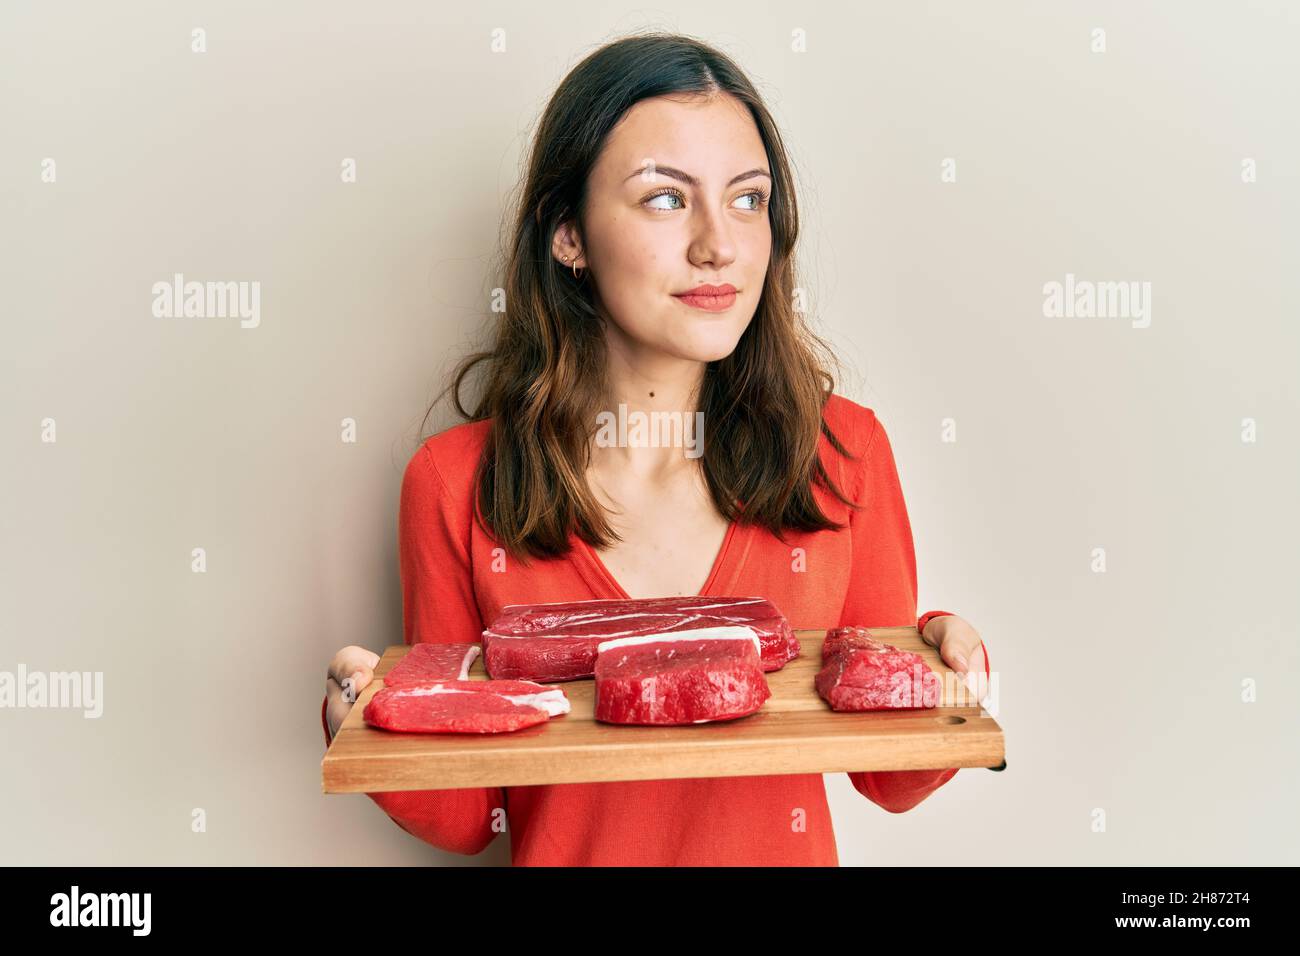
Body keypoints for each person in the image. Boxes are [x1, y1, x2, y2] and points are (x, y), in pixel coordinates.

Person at [322, 32, 991, 866]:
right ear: (567, 233)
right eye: (665, 199)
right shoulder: (454, 483)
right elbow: (463, 816)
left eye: (749, 199)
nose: (720, 245)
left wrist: (948, 674)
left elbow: (892, 779)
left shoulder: (846, 453)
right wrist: (371, 716)